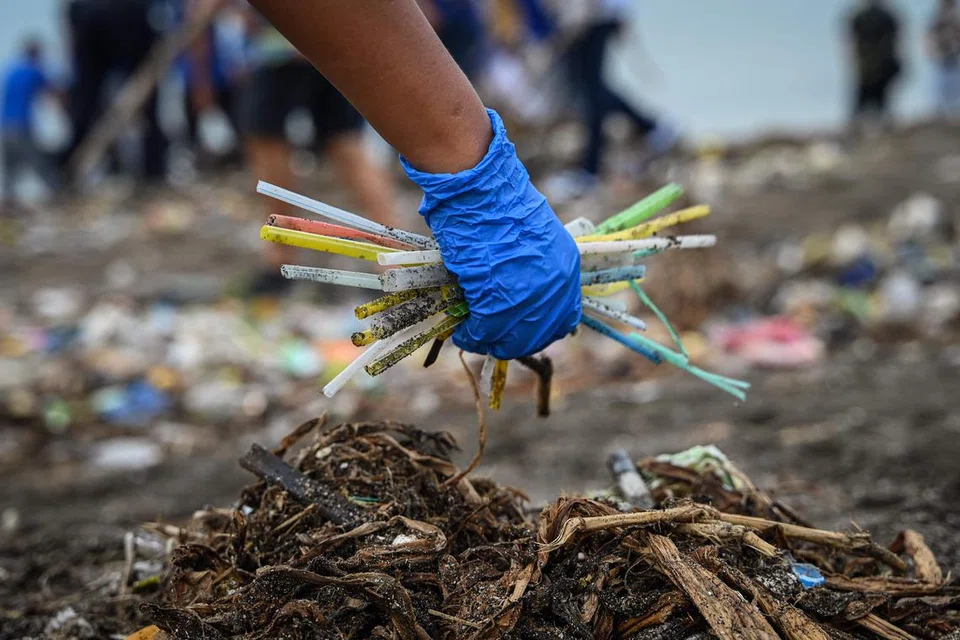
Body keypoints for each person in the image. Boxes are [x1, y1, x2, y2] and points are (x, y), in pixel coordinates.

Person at [243, 0, 581, 360]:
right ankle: (388, 260)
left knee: (273, 137)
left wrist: (485, 188)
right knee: (343, 140)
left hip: (284, 44)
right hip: (316, 38)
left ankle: (286, 257)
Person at [232, 7, 400, 294]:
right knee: (345, 140)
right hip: (331, 40)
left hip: (283, 44)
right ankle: (393, 257)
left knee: (267, 140)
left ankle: (280, 256)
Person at [543, 0, 678, 203]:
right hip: (585, 17)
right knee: (592, 89)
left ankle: (590, 171)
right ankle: (652, 127)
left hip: (593, 16)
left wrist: (619, 12)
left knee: (592, 93)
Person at [64, 0, 171, 181]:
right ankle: (152, 169)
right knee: (88, 102)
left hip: (114, 19)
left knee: (87, 101)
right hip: (113, 20)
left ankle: (152, 168)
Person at [1, 38, 61, 213]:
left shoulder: (11, 71)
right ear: (36, 54)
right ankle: (59, 196)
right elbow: (53, 91)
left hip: (4, 126)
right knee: (40, 164)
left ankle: (6, 204)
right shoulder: (34, 71)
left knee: (10, 168)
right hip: (21, 125)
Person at [848, 0, 903, 128]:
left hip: (871, 67)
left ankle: (872, 131)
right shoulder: (885, 17)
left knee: (871, 105)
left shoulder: (862, 16)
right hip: (874, 67)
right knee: (872, 104)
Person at [927, 0, 960, 117]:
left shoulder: (955, 24)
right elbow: (929, 40)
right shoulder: (937, 24)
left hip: (953, 62)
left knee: (954, 95)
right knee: (940, 95)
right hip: (941, 63)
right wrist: (933, 52)